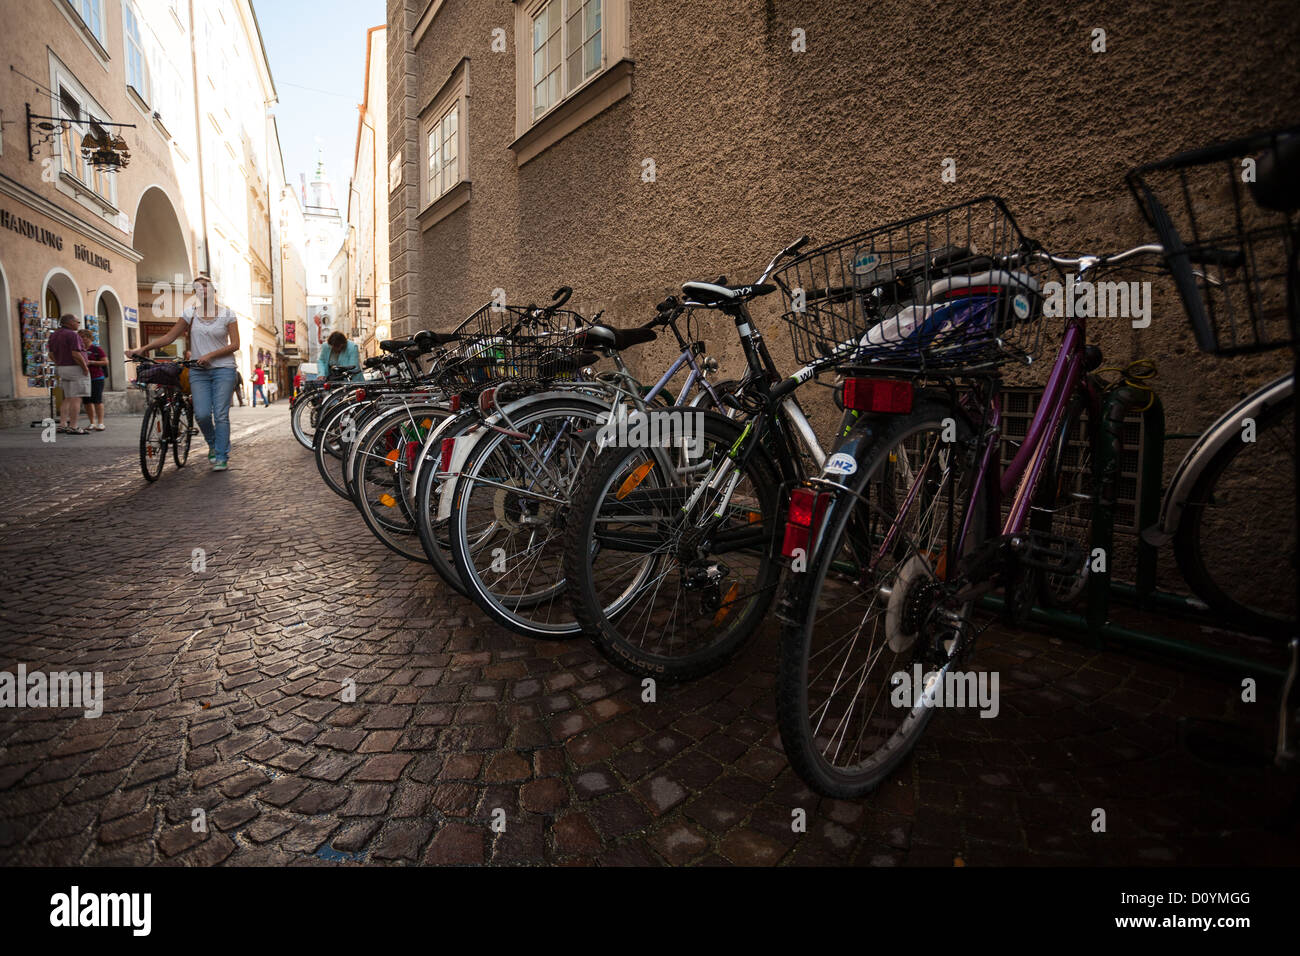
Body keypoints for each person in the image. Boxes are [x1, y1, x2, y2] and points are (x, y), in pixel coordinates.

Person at [126, 274, 240, 471]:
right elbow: (169, 337)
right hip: (197, 370)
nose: (202, 289)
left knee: (221, 414)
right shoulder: (190, 314)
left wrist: (211, 355)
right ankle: (213, 444)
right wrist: (143, 349)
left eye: (205, 285)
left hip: (223, 369)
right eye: (197, 287)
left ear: (213, 290)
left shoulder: (228, 315)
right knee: (203, 414)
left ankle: (221, 456)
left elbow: (235, 344)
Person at [48, 315, 91, 435]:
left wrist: (59, 363)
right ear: (70, 322)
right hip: (75, 368)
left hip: (62, 368)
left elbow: (51, 354)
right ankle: (73, 426)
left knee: (67, 397)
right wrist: (85, 367)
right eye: (78, 321)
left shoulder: (54, 335)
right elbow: (76, 354)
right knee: (76, 398)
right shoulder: (72, 334)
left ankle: (62, 424)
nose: (79, 324)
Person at [78, 329, 108, 430]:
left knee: (97, 400)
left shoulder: (96, 349)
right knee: (87, 401)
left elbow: (105, 362)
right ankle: (92, 422)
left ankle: (100, 423)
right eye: (79, 337)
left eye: (83, 337)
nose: (81, 339)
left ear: (88, 337)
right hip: (83, 377)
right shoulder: (79, 349)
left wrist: (91, 362)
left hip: (96, 377)